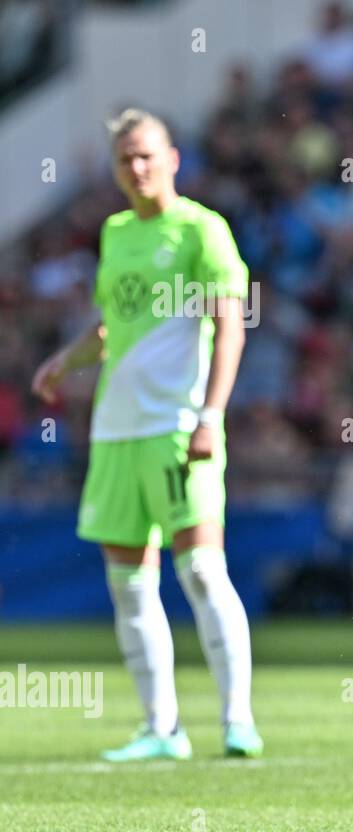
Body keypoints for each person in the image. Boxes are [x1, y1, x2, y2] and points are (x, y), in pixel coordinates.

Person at [31, 109, 262, 761]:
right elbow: (116, 326)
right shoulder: (115, 233)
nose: (136, 168)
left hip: (177, 426)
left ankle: (237, 720)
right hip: (117, 431)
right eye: (124, 159)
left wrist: (211, 416)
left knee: (203, 572)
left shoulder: (201, 230)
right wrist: (65, 361)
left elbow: (230, 325)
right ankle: (162, 729)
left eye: (145, 155)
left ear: (172, 158)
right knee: (129, 583)